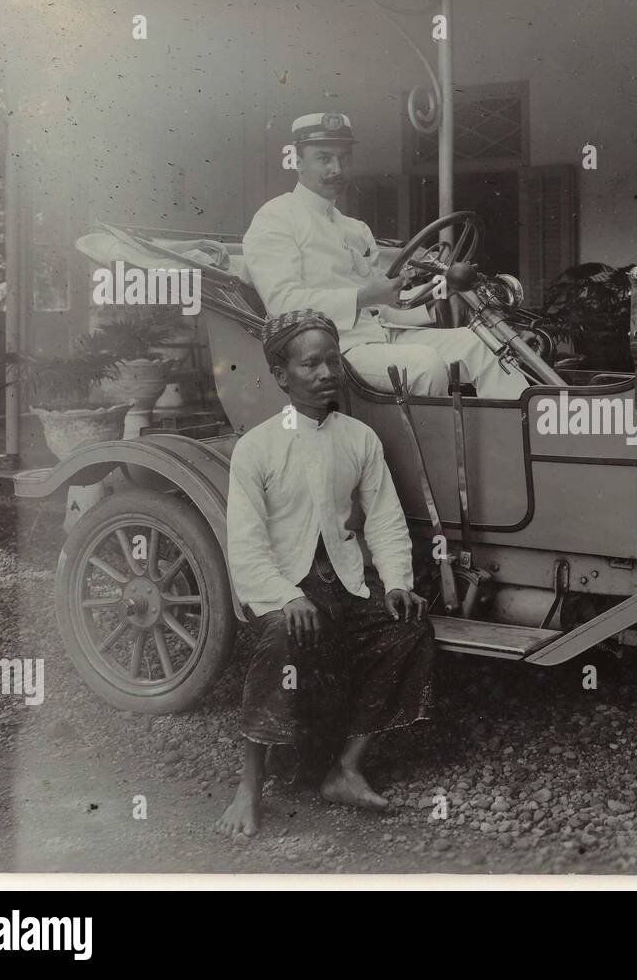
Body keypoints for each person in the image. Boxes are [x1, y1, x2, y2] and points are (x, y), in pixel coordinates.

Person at [215, 308, 435, 839]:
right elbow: (244, 544)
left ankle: (346, 767)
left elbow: (383, 518)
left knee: (410, 628)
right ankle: (249, 786)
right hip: (286, 589)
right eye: (310, 363)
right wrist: (285, 597)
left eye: (332, 360)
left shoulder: (358, 438)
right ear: (281, 375)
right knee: (284, 640)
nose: (325, 373)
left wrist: (398, 581)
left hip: (344, 582)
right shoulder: (257, 447)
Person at [243, 111, 530, 398]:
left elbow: (382, 309)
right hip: (334, 351)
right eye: (324, 158)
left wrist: (432, 302)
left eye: (344, 158)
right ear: (297, 161)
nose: (336, 168)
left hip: (382, 337)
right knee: (426, 366)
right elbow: (283, 305)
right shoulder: (277, 217)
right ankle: (440, 443)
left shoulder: (354, 228)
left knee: (483, 345)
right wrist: (365, 296)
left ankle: (525, 439)